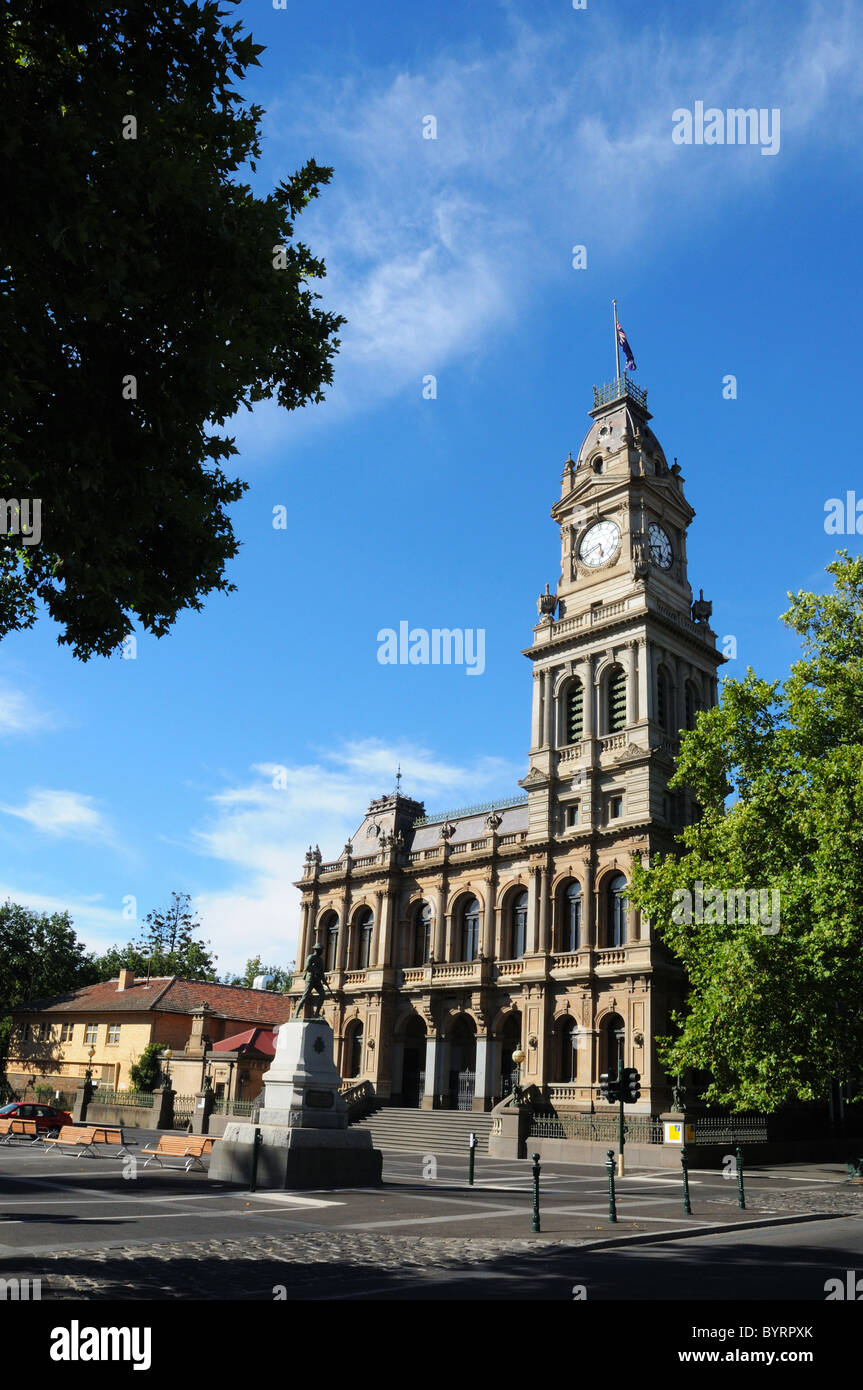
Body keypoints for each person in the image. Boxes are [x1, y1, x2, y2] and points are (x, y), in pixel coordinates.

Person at [295, 943, 327, 1017]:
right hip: (310, 978)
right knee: (305, 996)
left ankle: (316, 1013)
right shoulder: (311, 957)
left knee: (322, 995)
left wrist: (324, 980)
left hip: (317, 980)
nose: (322, 952)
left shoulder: (320, 960)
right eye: (321, 950)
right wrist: (315, 971)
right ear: (317, 950)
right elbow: (307, 967)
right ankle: (296, 1013)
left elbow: (321, 972)